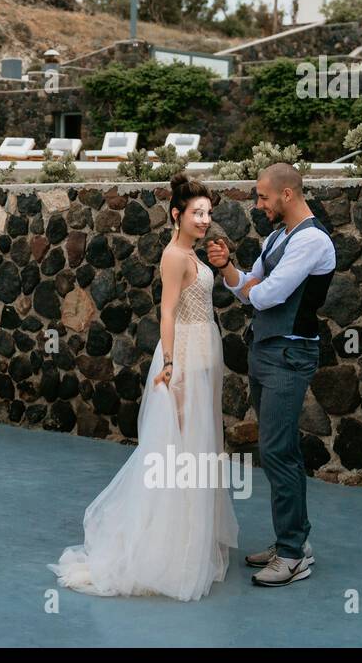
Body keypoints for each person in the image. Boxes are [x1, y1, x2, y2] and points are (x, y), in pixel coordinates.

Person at [48, 173, 239, 602]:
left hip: (203, 353)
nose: (205, 219)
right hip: (187, 356)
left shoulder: (193, 252)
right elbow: (167, 313)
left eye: (209, 212)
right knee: (182, 450)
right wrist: (171, 363)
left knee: (200, 448)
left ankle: (193, 538)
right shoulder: (175, 256)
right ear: (178, 215)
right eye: (198, 213)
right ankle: (172, 545)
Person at [206, 162, 335, 588]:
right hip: (267, 352)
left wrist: (249, 287)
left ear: (287, 195)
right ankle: (290, 541)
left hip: (290, 354)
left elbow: (267, 294)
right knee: (277, 449)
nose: (257, 204)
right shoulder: (278, 237)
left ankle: (295, 553)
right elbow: (248, 284)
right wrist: (228, 268)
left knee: (278, 451)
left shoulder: (312, 241)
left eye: (262, 196)